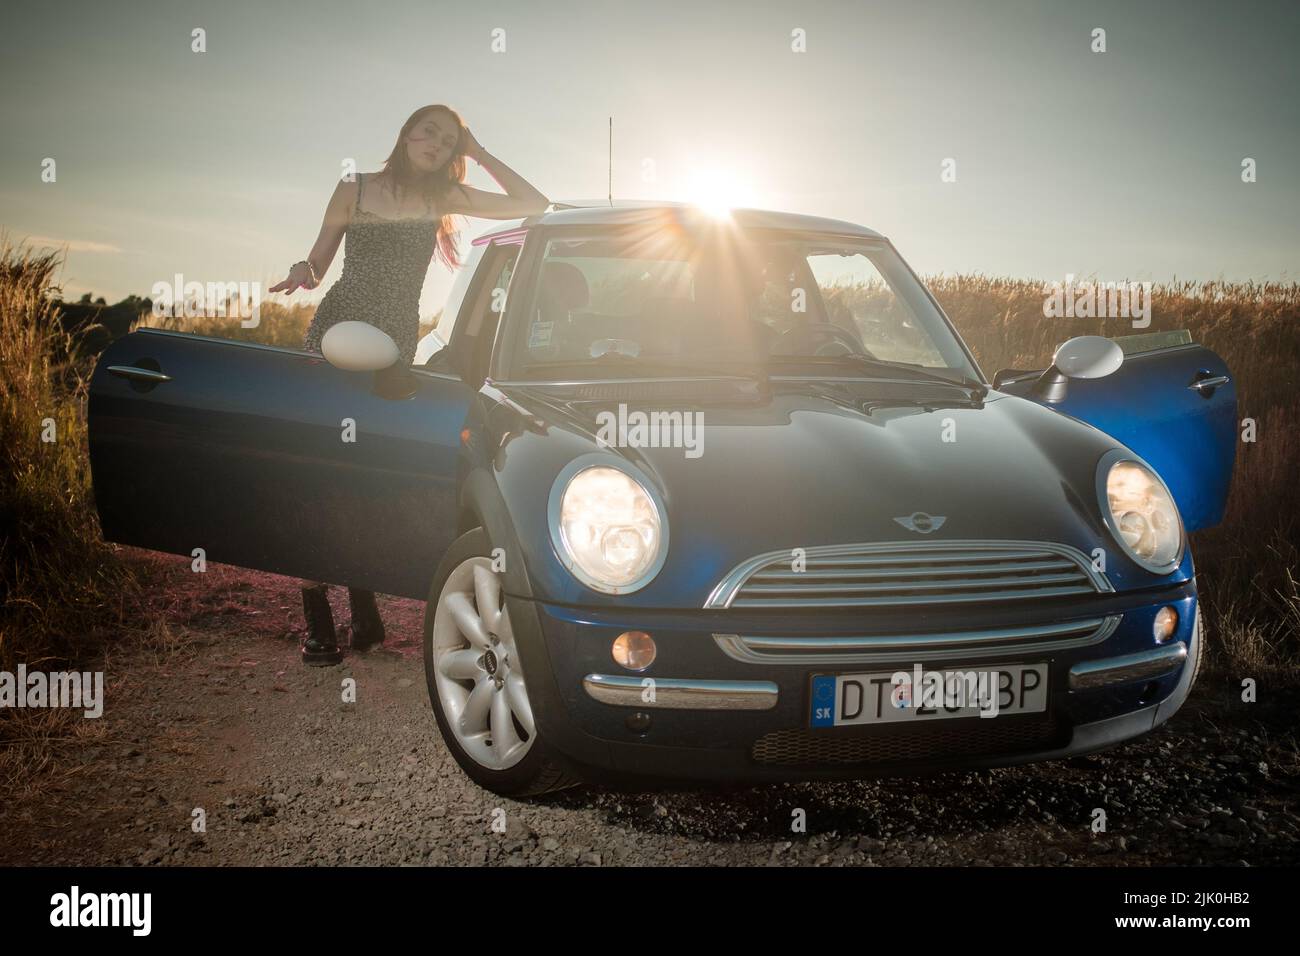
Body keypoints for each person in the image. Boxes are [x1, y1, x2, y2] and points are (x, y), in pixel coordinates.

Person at [269, 104, 549, 665]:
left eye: (448, 142)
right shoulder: (354, 186)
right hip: (334, 333)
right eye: (429, 131)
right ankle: (318, 618)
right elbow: (320, 261)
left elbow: (533, 203)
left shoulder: (442, 197)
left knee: (365, 471)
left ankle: (365, 607)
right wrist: (303, 270)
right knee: (316, 467)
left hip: (392, 348)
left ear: (454, 154)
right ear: (406, 133)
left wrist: (480, 151)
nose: (435, 144)